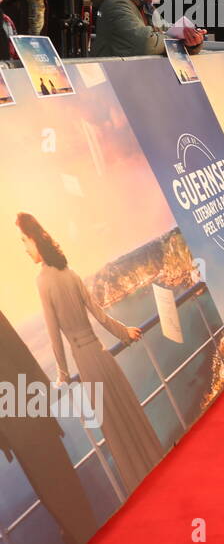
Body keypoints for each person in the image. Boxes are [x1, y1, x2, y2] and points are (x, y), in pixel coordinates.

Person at [17, 212, 166, 494]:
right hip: (103, 356)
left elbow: (54, 335)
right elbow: (99, 314)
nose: (24, 249)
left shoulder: (42, 281)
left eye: (24, 241)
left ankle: (140, 487)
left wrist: (61, 374)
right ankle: (156, 466)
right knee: (130, 414)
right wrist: (125, 333)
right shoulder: (69, 273)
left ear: (35, 239)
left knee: (115, 430)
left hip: (87, 363)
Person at [0, 306, 100, 544]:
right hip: (25, 423)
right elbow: (21, 354)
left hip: (25, 422)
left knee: (61, 496)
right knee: (61, 496)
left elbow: (19, 354)